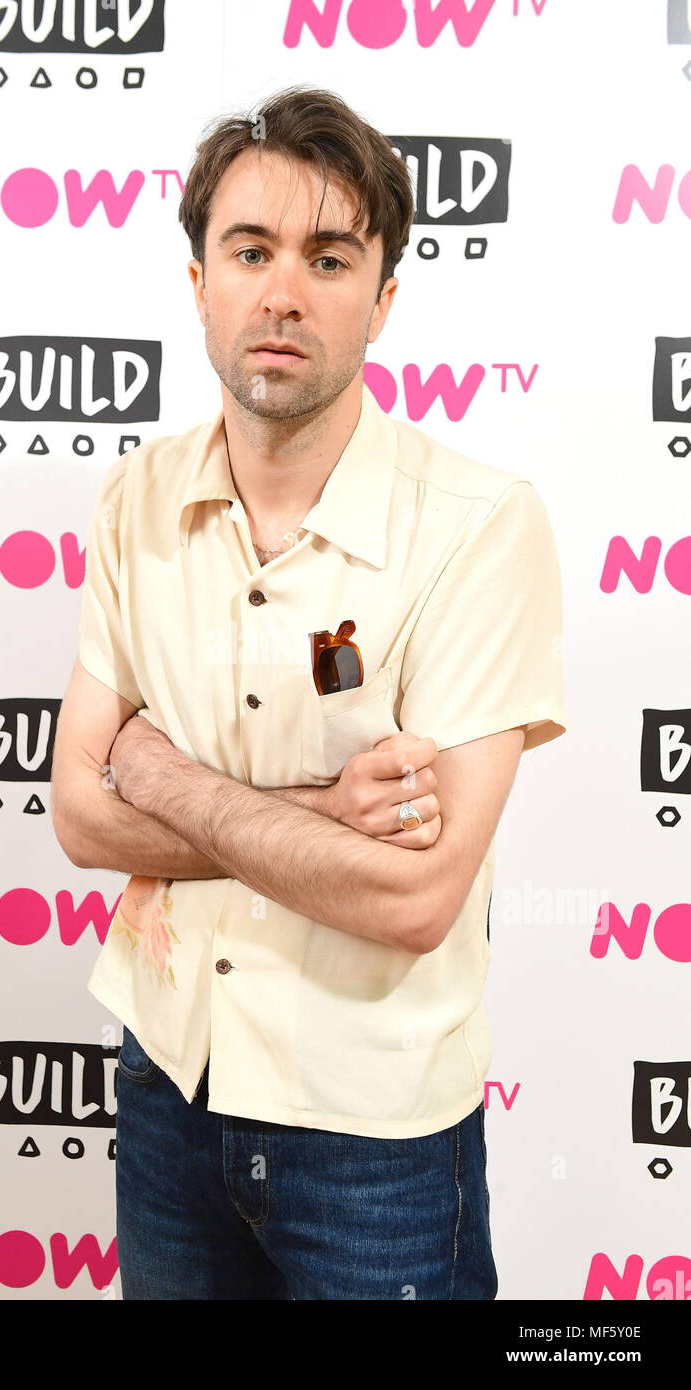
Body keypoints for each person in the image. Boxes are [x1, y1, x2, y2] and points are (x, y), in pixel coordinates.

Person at [51, 85, 566, 1300]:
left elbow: (414, 894)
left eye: (329, 258)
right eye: (250, 251)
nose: (283, 291)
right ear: (199, 284)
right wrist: (324, 815)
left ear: (383, 300)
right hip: (169, 1083)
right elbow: (78, 816)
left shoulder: (481, 528)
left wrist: (165, 774)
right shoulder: (135, 500)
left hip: (373, 1133)